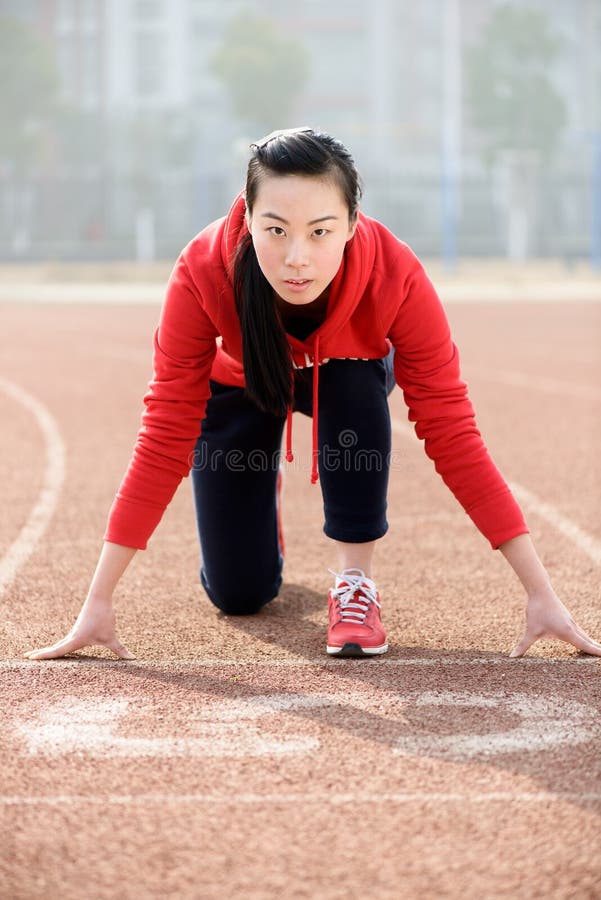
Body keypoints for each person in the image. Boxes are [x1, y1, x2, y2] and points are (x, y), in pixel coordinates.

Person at [25, 127, 601, 662]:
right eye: (276, 229)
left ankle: (355, 585)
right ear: (248, 219)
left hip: (346, 372)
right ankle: (261, 494)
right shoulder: (202, 270)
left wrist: (539, 591)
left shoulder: (395, 273)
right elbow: (165, 433)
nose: (297, 257)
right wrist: (98, 601)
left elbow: (452, 431)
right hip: (242, 382)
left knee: (354, 383)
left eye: (320, 231)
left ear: (353, 222)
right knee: (239, 594)